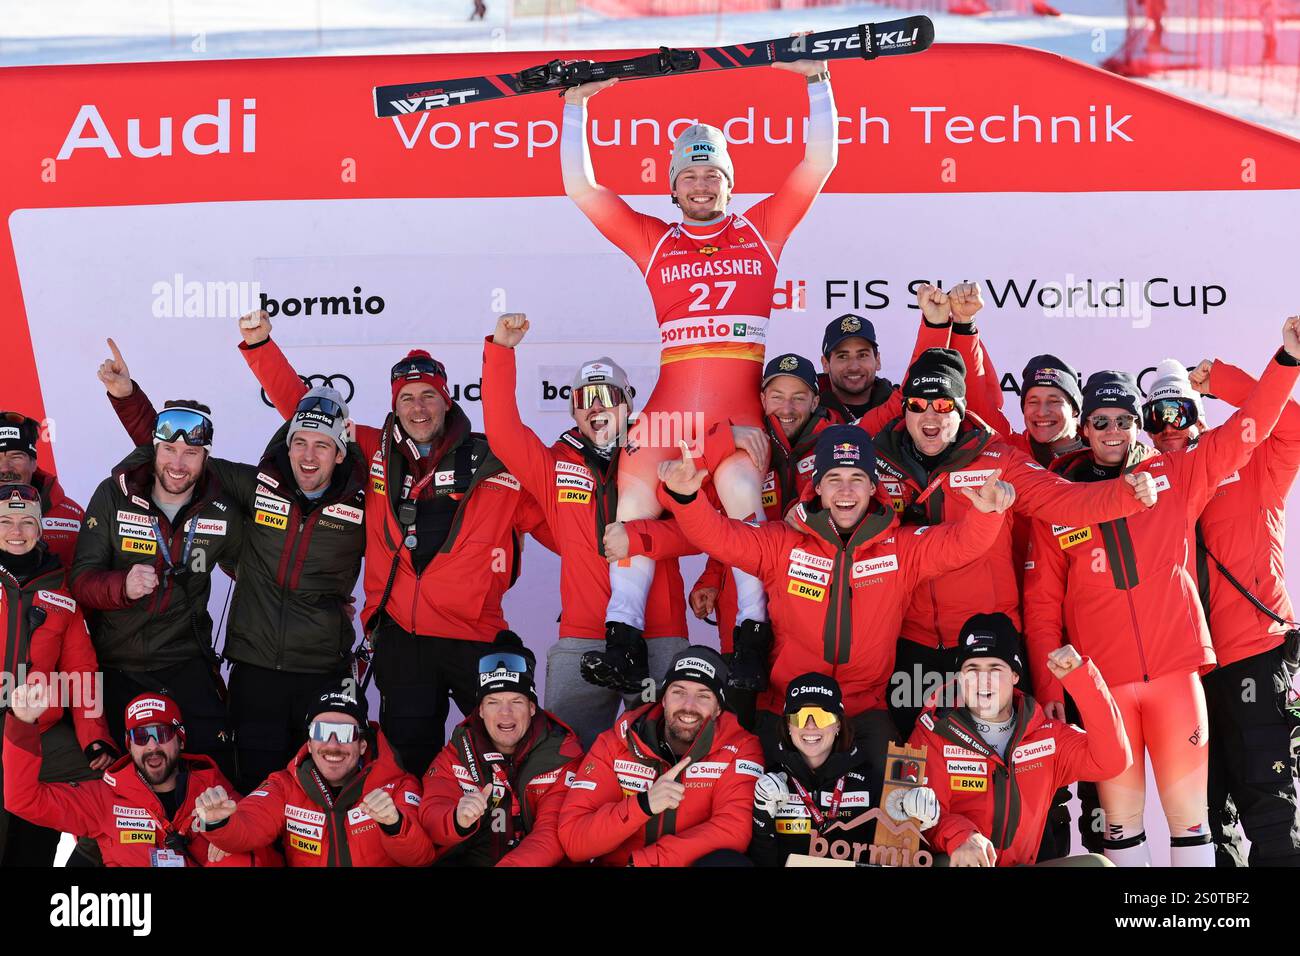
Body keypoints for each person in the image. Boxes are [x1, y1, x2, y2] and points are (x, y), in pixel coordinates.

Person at [559, 54, 837, 697]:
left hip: (733, 415)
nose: (702, 186)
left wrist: (817, 83)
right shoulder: (655, 240)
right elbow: (583, 189)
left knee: (742, 491)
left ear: (730, 183)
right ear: (673, 186)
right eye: (690, 176)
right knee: (632, 500)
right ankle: (621, 637)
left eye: (713, 175)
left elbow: (818, 164)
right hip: (669, 411)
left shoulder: (762, 231)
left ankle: (751, 634)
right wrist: (576, 107)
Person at [1023, 318, 1300, 866]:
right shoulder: (1057, 498)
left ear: (1136, 427)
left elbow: (1250, 427)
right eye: (1100, 420)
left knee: (1193, 826)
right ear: (1084, 424)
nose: (1111, 431)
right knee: (1120, 831)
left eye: (1124, 420)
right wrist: (1049, 685)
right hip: (1102, 689)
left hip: (1176, 679)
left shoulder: (1177, 475)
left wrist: (1286, 360)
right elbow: (1040, 604)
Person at [236, 310, 554, 774]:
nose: (418, 407)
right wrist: (261, 346)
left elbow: (557, 522)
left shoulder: (493, 461)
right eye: (407, 398)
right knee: (409, 762)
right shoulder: (373, 448)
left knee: (498, 759)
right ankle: (420, 842)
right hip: (402, 637)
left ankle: (502, 839)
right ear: (395, 404)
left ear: (447, 401)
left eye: (429, 396)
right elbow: (304, 414)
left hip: (475, 635)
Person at [651, 426, 1015, 777]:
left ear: (873, 487)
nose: (846, 490)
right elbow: (720, 537)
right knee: (763, 812)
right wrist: (687, 498)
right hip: (788, 707)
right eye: (834, 478)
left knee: (895, 810)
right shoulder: (783, 543)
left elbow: (961, 544)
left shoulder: (901, 548)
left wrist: (986, 515)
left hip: (864, 708)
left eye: (857, 478)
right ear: (818, 487)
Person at [97, 338, 368, 794]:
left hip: (323, 668)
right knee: (254, 787)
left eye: (321, 446)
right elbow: (180, 457)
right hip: (255, 667)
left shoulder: (364, 504)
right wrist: (128, 398)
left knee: (323, 789)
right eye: (299, 441)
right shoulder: (258, 485)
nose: (306, 456)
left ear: (340, 452)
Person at [868, 346, 1158, 739]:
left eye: (942, 404)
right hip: (911, 642)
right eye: (918, 405)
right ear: (905, 411)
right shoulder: (877, 462)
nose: (929, 415)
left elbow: (1064, 500)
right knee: (914, 768)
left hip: (990, 643)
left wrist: (1126, 494)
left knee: (1003, 763)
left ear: (960, 410)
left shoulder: (997, 459)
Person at [481, 314, 687, 747]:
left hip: (658, 631)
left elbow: (704, 531)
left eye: (608, 396)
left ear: (628, 404)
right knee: (563, 752)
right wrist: (501, 351)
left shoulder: (662, 454)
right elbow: (502, 433)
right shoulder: (555, 466)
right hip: (583, 632)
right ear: (574, 410)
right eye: (584, 398)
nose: (596, 406)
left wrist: (738, 433)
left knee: (667, 754)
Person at [1162, 357, 1300, 866]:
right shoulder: (1150, 484)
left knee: (1270, 812)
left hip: (1255, 653)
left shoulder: (1254, 459)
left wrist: (1225, 381)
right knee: (1206, 824)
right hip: (1188, 671)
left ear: (1199, 412)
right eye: (1156, 415)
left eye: (1180, 411)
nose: (1169, 426)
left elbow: (1293, 427)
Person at [68, 399, 244, 778]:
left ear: (205, 457)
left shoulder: (221, 511)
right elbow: (81, 581)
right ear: (154, 448)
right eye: (169, 450)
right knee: (120, 777)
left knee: (216, 766)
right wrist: (122, 586)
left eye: (191, 453)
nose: (178, 464)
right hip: (118, 661)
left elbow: (253, 571)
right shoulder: (114, 495)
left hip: (184, 657)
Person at [908, 613, 1130, 867]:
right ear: (959, 676)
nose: (983, 679)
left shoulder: (1045, 735)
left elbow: (1113, 760)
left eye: (995, 668)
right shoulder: (934, 731)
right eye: (972, 669)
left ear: (1015, 676)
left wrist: (1082, 680)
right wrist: (962, 836)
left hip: (1022, 864)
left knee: (1097, 866)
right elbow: (920, 817)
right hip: (958, 862)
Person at [4, 689, 264, 866]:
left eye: (161, 733)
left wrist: (232, 835)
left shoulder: (214, 793)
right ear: (129, 745)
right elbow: (23, 800)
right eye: (140, 737)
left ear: (180, 740)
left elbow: (268, 854)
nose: (151, 745)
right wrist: (23, 725)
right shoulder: (103, 798)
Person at [559, 647, 764, 866]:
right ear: (663, 699)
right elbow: (575, 840)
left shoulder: (741, 746)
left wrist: (644, 862)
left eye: (703, 696)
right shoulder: (614, 743)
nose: (688, 706)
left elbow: (732, 830)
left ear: (718, 709)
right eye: (678, 692)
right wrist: (643, 805)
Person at [194, 685, 436, 867]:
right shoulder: (285, 785)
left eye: (344, 733)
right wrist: (219, 824)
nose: (332, 745)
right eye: (322, 731)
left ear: (362, 745)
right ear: (309, 743)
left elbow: (421, 857)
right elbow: (249, 824)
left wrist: (393, 824)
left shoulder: (398, 785)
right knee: (228, 858)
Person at [0, 484, 114, 865]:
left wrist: (95, 739)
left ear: (41, 529)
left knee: (118, 789)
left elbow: (82, 673)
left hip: (40, 736)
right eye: (6, 522)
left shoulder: (61, 590)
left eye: (27, 522)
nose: (17, 531)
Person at [420, 632, 583, 866]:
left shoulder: (562, 754)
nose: (505, 713)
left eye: (516, 701)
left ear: (532, 707)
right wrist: (456, 820)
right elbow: (430, 812)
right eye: (493, 702)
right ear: (481, 710)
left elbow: (551, 834)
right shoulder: (458, 751)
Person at [750, 672, 939, 867]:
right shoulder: (772, 782)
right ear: (788, 725)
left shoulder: (868, 781)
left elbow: (896, 852)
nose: (811, 726)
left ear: (838, 724)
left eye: (823, 717)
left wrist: (915, 822)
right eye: (799, 717)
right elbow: (759, 860)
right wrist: (761, 818)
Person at [0, 411, 83, 568]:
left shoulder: (72, 516)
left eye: (16, 457)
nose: (4, 468)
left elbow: (88, 582)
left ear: (33, 463)